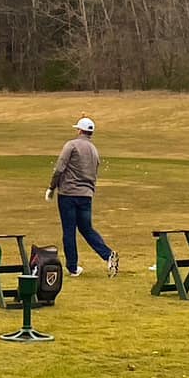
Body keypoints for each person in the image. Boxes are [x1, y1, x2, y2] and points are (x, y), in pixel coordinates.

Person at [46, 116, 117, 277]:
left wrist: (52, 187)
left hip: (68, 194)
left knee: (69, 230)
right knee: (86, 228)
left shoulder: (71, 145)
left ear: (79, 130)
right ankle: (108, 255)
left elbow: (59, 168)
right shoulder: (94, 150)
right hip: (86, 195)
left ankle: (72, 267)